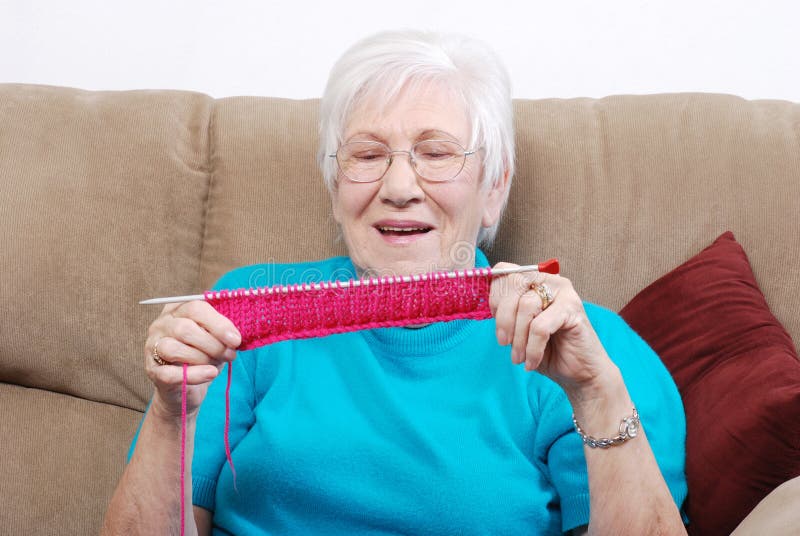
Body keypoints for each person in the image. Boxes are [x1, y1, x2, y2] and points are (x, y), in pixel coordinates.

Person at [103, 31, 687, 535]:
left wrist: (596, 392)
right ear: (335, 186)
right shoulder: (244, 316)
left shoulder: (586, 346)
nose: (400, 185)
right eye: (366, 155)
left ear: (494, 188)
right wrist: (169, 416)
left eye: (436, 153)